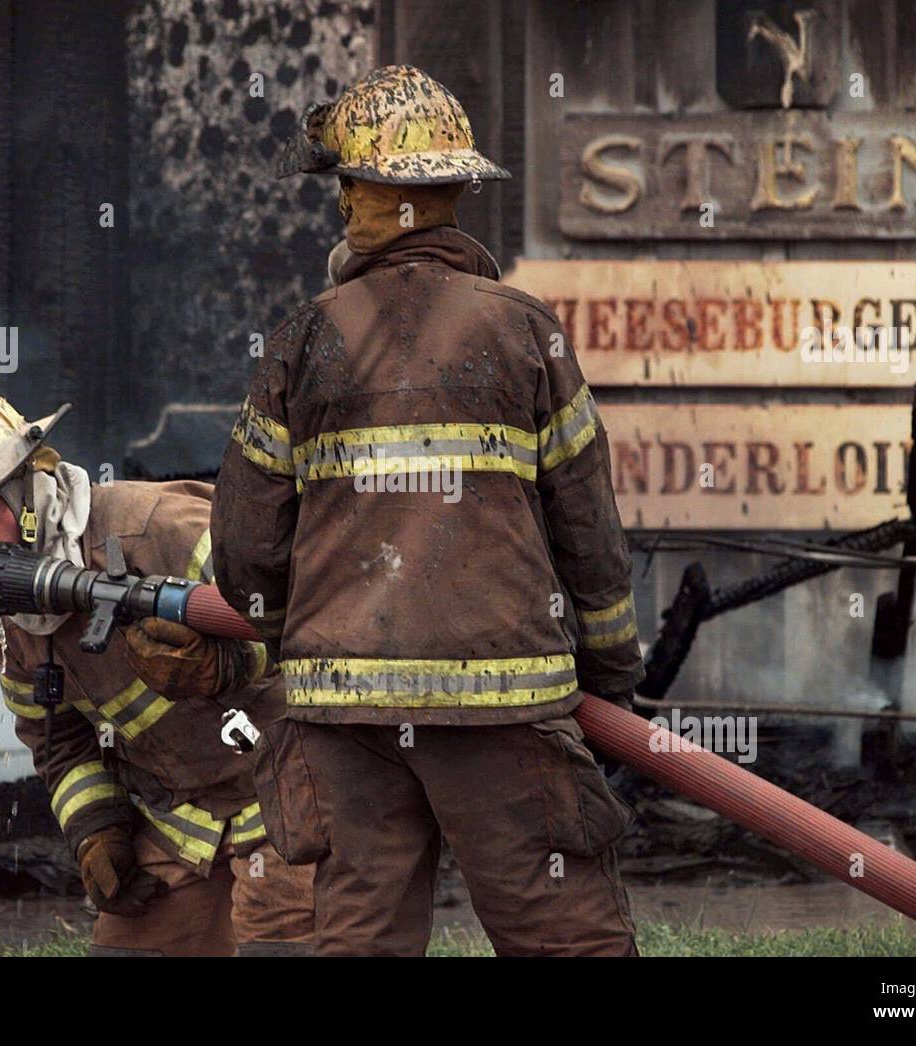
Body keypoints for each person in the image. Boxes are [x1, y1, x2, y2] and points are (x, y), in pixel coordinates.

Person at [212, 65, 644, 956]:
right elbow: (588, 532)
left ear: (355, 199)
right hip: (504, 707)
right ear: (455, 192)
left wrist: (302, 628)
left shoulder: (300, 340)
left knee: (361, 934)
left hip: (346, 713)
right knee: (563, 935)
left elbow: (248, 553)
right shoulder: (527, 332)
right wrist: (609, 676)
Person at [0, 389, 313, 955]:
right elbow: (55, 742)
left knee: (282, 949)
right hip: (180, 819)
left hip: (290, 789)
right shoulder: (10, 620)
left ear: (32, 484)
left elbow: (318, 619)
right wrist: (97, 829)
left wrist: (227, 663)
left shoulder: (157, 526)